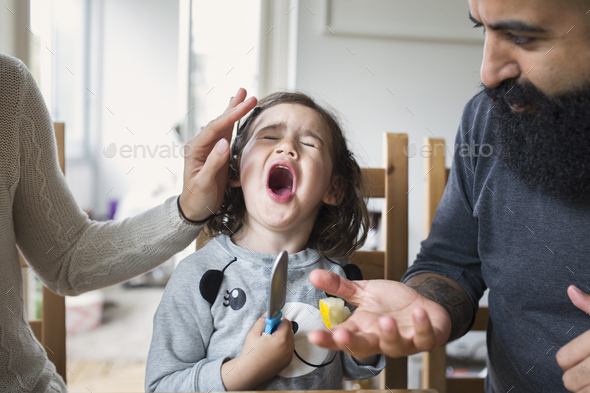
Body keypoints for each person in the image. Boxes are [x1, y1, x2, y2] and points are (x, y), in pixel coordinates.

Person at [307, 0, 590, 392]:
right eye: (482, 28)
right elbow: (451, 261)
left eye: (522, 37)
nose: (488, 73)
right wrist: (429, 301)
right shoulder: (488, 120)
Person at [0, 53, 256, 393]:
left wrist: (187, 209)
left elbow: (67, 258)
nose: (287, 152)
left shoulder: (9, 84)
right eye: (270, 138)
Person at [144, 92, 385, 392]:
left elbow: (356, 368)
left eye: (309, 143)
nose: (287, 147)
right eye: (270, 137)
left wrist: (366, 342)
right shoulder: (198, 276)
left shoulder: (339, 278)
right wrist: (242, 371)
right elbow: (161, 386)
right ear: (234, 171)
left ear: (333, 188)